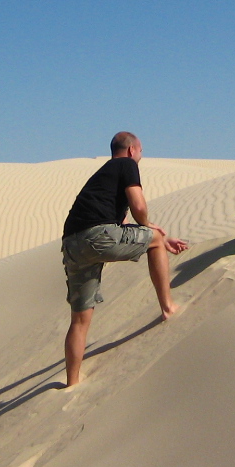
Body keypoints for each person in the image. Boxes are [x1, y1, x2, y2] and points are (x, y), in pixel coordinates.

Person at [60, 131, 189, 388]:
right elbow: (139, 208)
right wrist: (153, 231)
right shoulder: (126, 165)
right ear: (131, 150)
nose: (141, 156)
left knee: (80, 319)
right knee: (151, 236)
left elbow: (123, 226)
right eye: (141, 151)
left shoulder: (103, 177)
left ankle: (71, 382)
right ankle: (168, 307)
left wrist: (160, 238)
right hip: (96, 236)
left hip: (72, 244)